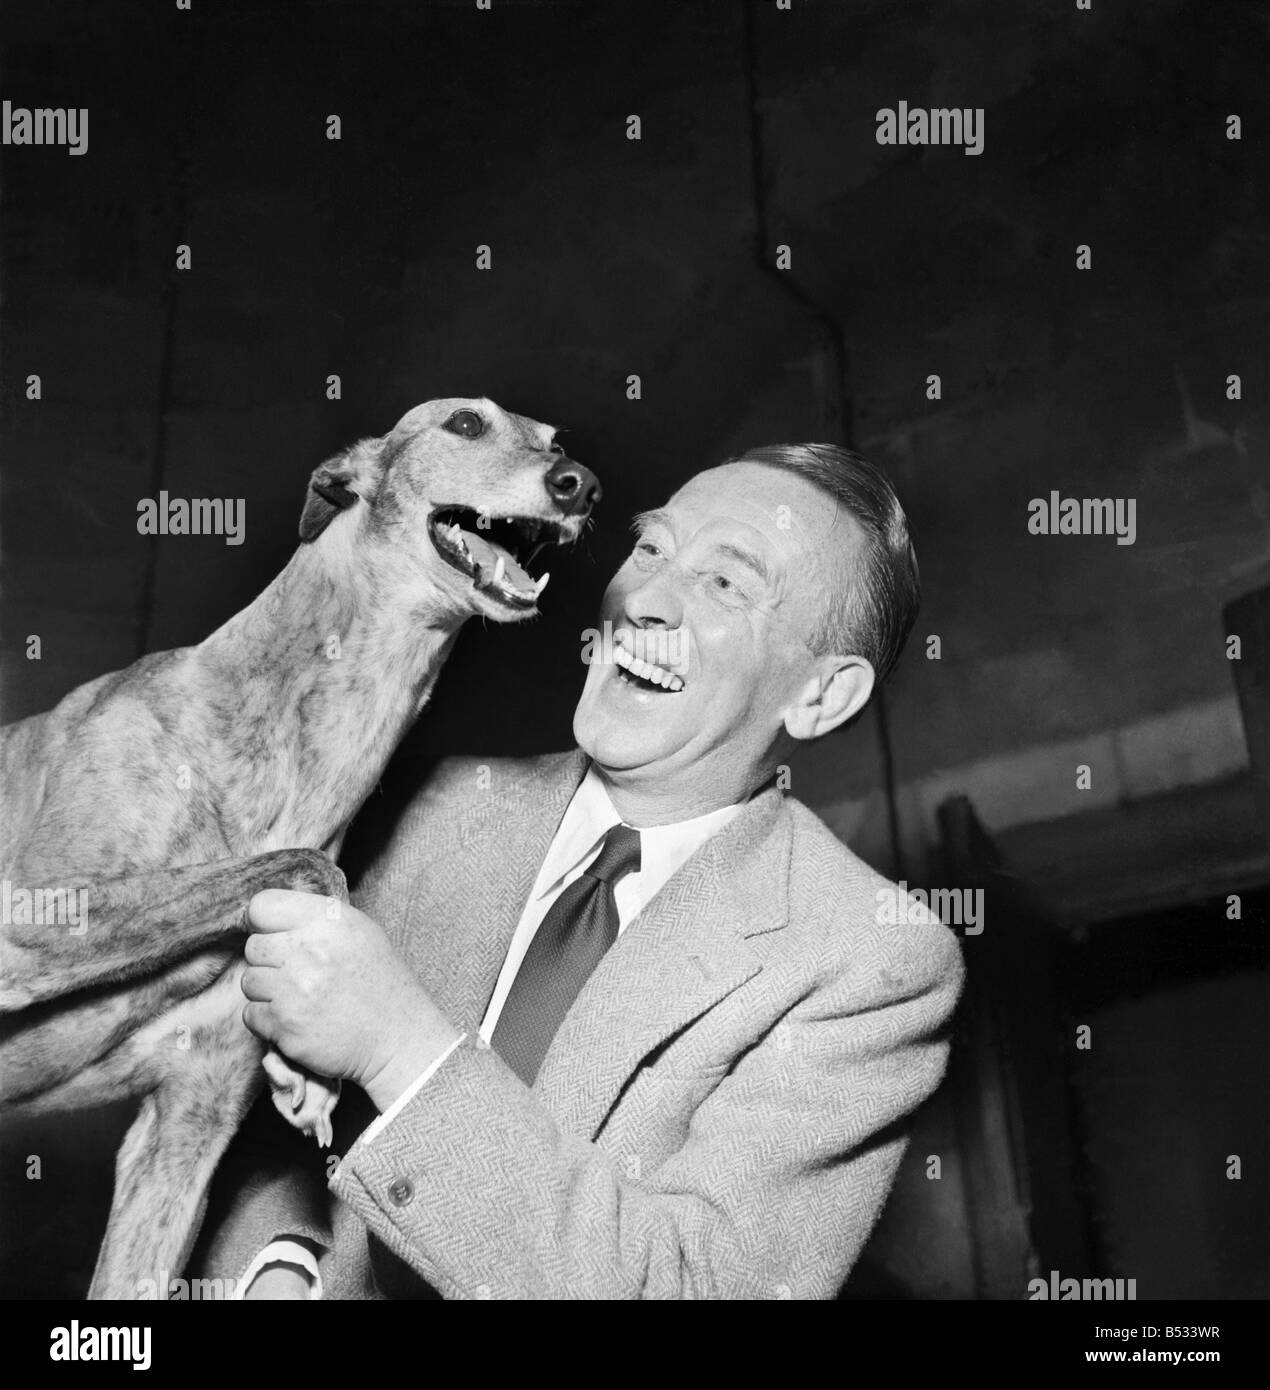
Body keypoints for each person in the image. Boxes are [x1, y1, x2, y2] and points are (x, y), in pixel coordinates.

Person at [196, 442, 963, 1299]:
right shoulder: (411, 805)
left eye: (725, 583)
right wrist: (278, 1263)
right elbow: (245, 1109)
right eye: (652, 547)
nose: (645, 599)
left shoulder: (868, 962)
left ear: (821, 696)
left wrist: (398, 1046)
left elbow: (694, 1287)